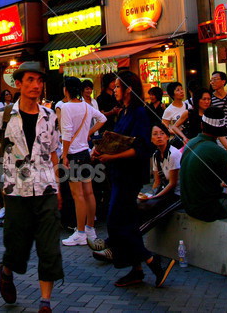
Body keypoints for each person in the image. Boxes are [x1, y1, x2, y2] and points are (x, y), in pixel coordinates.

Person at [0, 62, 63, 313]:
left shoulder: (50, 117)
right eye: (30, 80)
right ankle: (7, 270)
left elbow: (54, 154)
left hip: (46, 189)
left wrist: (58, 188)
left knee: (49, 246)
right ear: (18, 84)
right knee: (17, 245)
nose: (36, 86)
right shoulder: (4, 115)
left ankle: (45, 302)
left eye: (39, 81)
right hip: (15, 191)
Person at [94, 71, 174, 288]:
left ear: (129, 89)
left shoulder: (139, 113)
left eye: (118, 87)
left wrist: (111, 156)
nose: (115, 90)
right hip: (118, 174)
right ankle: (136, 270)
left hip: (129, 176)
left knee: (116, 222)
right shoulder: (126, 112)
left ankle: (150, 259)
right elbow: (121, 140)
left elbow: (141, 148)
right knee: (127, 223)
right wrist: (102, 149)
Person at [59, 77, 106, 247]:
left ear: (66, 90)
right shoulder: (86, 105)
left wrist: (64, 155)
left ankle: (79, 233)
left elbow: (66, 133)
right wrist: (89, 132)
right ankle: (90, 229)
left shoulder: (65, 107)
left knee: (77, 195)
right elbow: (103, 119)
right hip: (85, 153)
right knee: (89, 193)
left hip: (73, 154)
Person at [179, 106, 227, 222]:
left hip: (187, 204)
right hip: (206, 209)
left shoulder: (190, 143)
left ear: (202, 125)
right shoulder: (219, 152)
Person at [138, 123, 182, 230]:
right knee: (139, 204)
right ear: (151, 139)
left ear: (167, 136)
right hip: (165, 192)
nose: (159, 136)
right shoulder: (156, 155)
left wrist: (155, 197)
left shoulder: (173, 154)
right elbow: (157, 182)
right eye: (155, 134)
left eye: (162, 134)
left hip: (177, 195)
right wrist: (150, 195)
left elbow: (173, 183)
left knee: (151, 208)